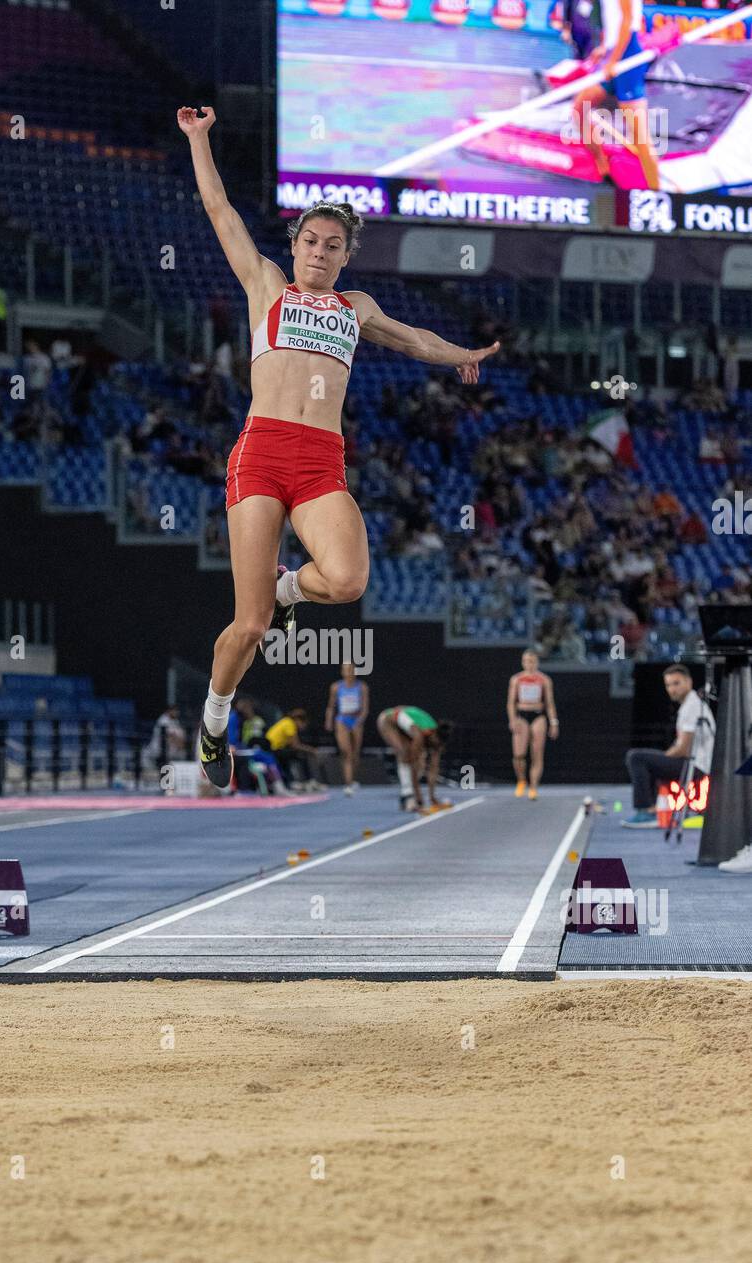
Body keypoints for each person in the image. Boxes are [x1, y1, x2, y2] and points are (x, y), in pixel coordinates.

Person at [176, 104, 500, 789]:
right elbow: (218, 208)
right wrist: (201, 138)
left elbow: (415, 339)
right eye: (311, 240)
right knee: (250, 621)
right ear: (295, 244)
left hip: (321, 461)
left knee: (349, 580)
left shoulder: (356, 307)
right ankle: (212, 722)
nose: (319, 251)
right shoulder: (266, 285)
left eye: (332, 245)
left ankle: (294, 588)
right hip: (261, 454)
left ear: (346, 255)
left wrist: (461, 355)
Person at [569, 0, 660, 190]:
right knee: (580, 108)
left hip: (626, 57)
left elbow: (627, 20)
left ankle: (657, 192)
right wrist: (604, 48)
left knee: (640, 137)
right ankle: (605, 170)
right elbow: (614, 20)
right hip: (614, 52)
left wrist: (614, 60)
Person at [622, 664, 715, 827]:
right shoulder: (688, 705)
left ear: (689, 682)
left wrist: (664, 758)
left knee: (636, 757)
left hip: (696, 767)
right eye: (668, 685)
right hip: (692, 763)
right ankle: (652, 809)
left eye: (676, 683)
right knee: (647, 759)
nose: (672, 689)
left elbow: (683, 749)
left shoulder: (692, 706)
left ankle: (646, 811)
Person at [376, 705, 453, 813]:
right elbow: (413, 764)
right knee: (404, 754)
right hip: (388, 721)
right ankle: (407, 796)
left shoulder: (437, 743)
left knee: (420, 760)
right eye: (435, 743)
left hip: (405, 725)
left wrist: (432, 797)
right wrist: (418, 797)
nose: (435, 746)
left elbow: (433, 769)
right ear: (433, 735)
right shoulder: (419, 735)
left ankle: (409, 795)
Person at [507, 650, 559, 800]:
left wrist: (554, 722)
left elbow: (549, 703)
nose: (529, 665)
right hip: (522, 715)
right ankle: (522, 779)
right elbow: (511, 702)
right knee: (518, 754)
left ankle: (533, 786)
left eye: (532, 661)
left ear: (537, 662)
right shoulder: (516, 679)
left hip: (538, 716)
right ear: (523, 662)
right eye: (526, 661)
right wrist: (512, 719)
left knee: (537, 753)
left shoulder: (544, 680)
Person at [324, 662, 369, 794]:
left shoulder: (362, 687)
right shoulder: (336, 687)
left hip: (356, 719)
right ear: (342, 671)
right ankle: (348, 783)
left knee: (355, 753)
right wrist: (329, 720)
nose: (348, 672)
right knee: (346, 752)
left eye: (350, 669)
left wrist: (359, 721)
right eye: (345, 669)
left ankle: (353, 779)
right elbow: (331, 706)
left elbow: (365, 708)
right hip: (342, 720)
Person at [265, 709, 326, 792]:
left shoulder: (285, 721)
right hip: (271, 751)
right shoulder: (289, 724)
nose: (303, 727)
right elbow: (296, 745)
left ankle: (291, 781)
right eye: (303, 723)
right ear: (298, 720)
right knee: (301, 754)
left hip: (274, 750)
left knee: (290, 755)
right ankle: (309, 781)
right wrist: (312, 750)